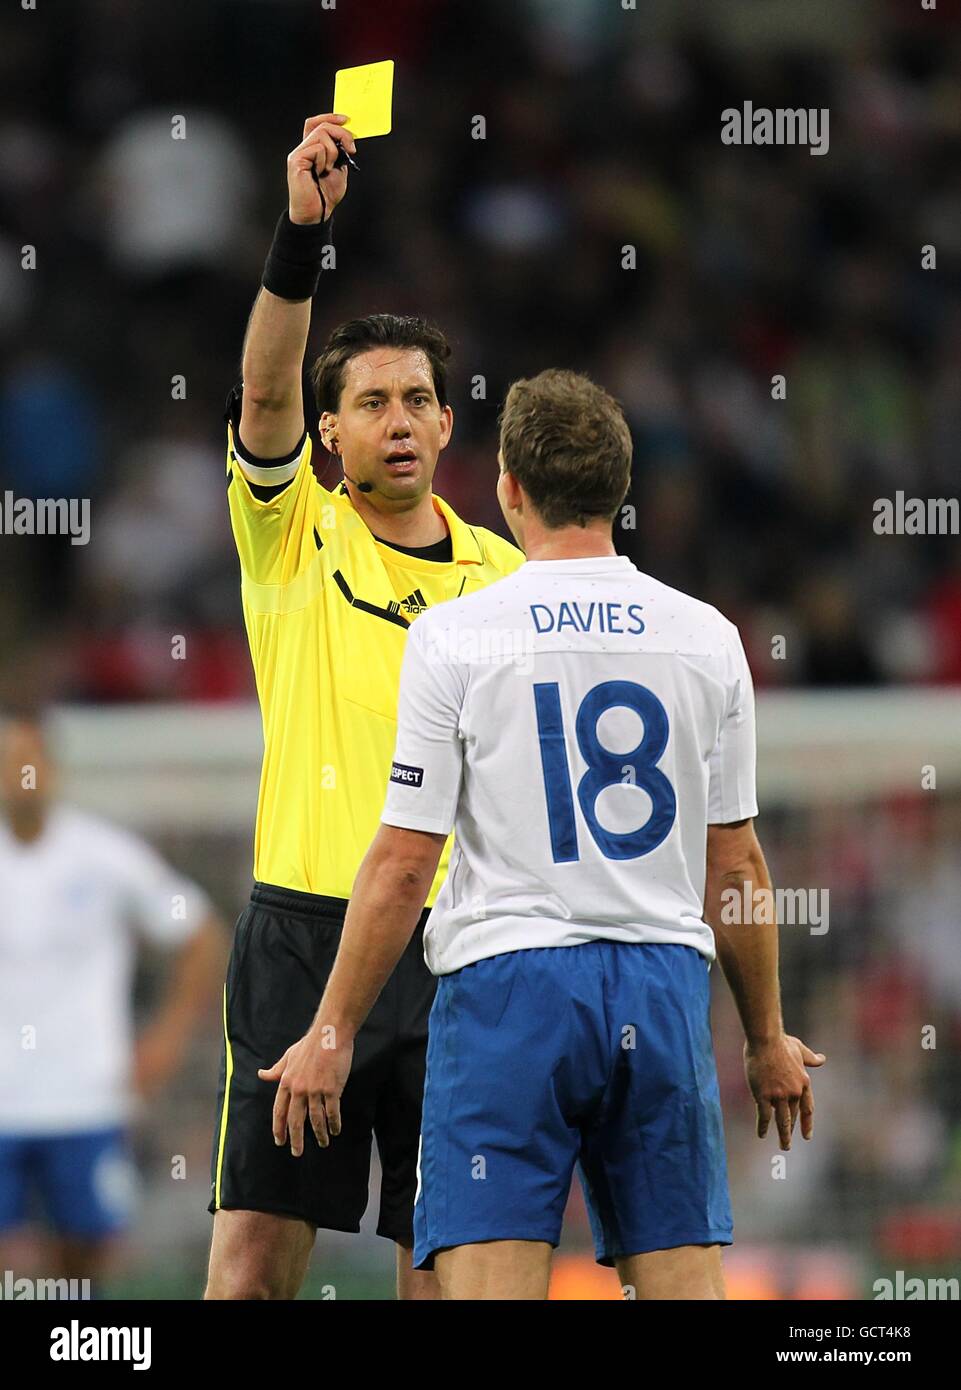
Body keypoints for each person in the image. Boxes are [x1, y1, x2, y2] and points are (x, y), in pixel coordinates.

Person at [261, 368, 827, 1300]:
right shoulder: (707, 638)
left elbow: (406, 864)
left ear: (508, 489)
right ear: (622, 492)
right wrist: (765, 1036)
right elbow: (735, 864)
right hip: (659, 984)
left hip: (509, 989)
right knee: (686, 1284)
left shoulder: (455, 635)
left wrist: (333, 1029)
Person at [204, 113, 523, 1301]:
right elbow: (262, 380)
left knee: (436, 1266)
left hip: (462, 950)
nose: (396, 418)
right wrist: (300, 230)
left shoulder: (506, 578)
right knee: (251, 1267)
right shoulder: (293, 535)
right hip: (302, 936)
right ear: (328, 431)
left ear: (448, 423)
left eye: (417, 398)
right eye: (371, 401)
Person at [0, 713, 223, 1294]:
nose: (17, 775)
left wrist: (166, 1040)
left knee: (84, 1264)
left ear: (50, 768)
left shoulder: (102, 856)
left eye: (27, 761)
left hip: (85, 1097)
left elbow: (198, 932)